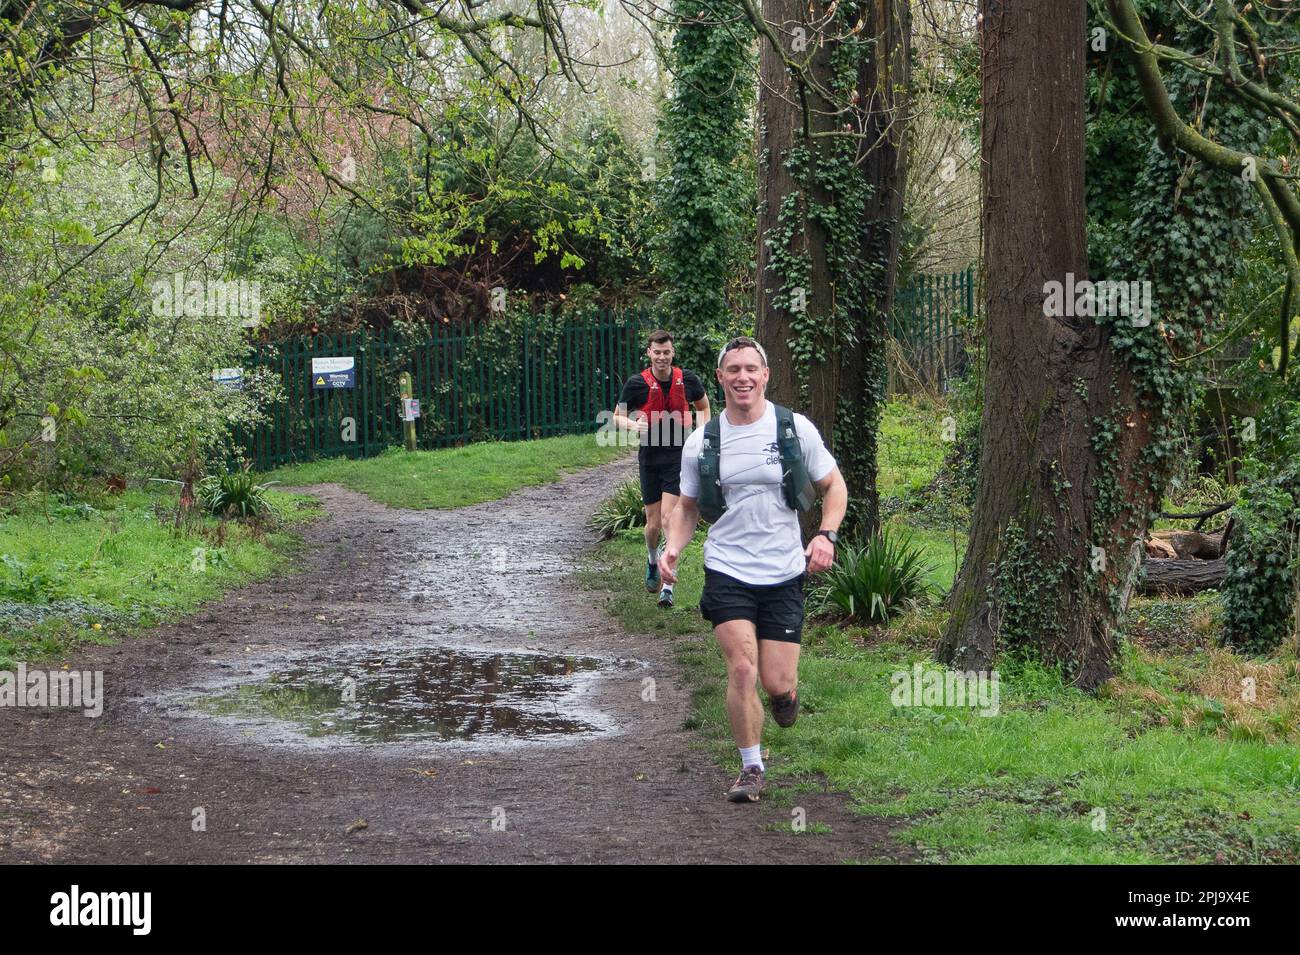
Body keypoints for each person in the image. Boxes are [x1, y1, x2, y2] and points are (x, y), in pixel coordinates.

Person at [659, 336, 847, 803]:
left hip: (783, 571)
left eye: (751, 369)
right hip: (727, 568)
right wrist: (674, 547)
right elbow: (686, 507)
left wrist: (825, 535)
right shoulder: (704, 441)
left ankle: (784, 699)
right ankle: (751, 768)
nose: (742, 376)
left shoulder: (793, 428)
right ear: (720, 378)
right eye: (733, 369)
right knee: (742, 669)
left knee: (776, 681)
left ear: (765, 375)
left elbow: (834, 486)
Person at [611, 329, 710, 608]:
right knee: (652, 525)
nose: (662, 357)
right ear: (649, 354)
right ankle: (653, 560)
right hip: (650, 458)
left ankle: (668, 584)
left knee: (669, 519)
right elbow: (617, 416)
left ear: (673, 352)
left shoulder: (687, 379)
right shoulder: (636, 384)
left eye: (667, 352)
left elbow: (703, 406)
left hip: (677, 457)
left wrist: (702, 433)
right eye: (657, 352)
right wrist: (633, 424)